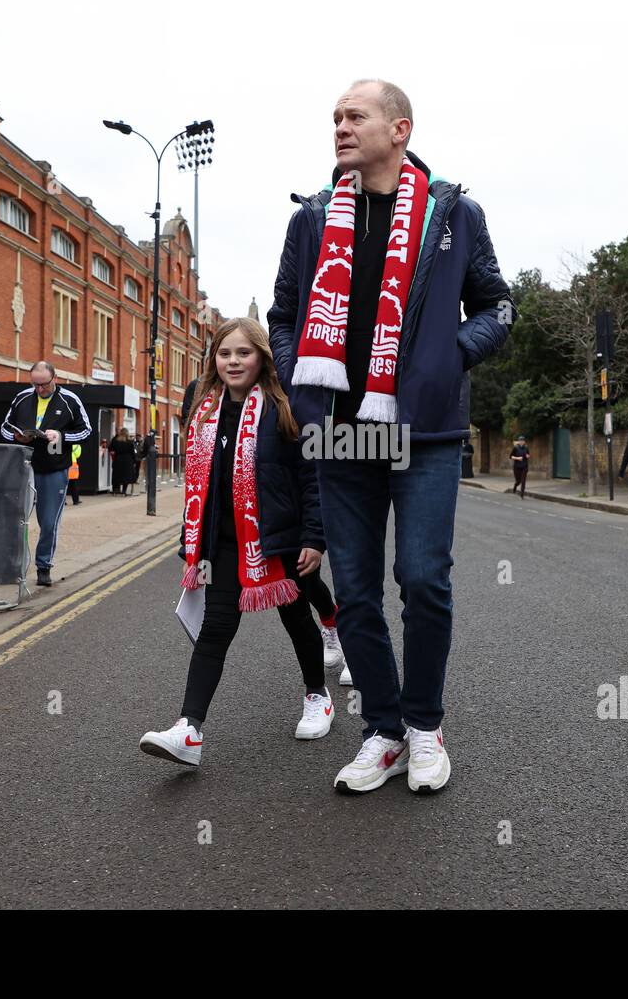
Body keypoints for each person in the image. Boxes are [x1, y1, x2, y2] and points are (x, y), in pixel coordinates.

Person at [267, 78, 510, 793]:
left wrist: (450, 355)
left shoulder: (453, 213)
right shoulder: (312, 219)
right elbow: (284, 317)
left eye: (355, 116)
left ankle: (425, 726)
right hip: (341, 430)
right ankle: (383, 731)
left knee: (424, 579)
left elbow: (497, 304)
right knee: (359, 593)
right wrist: (304, 396)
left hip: (424, 427)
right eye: (335, 117)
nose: (340, 126)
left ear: (398, 129)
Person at [139, 320, 332, 767]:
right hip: (223, 541)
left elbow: (311, 479)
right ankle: (189, 729)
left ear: (261, 356)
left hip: (278, 539)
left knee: (295, 617)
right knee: (216, 629)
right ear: (215, 360)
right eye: (225, 353)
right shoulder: (203, 406)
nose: (233, 361)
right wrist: (192, 541)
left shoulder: (284, 407)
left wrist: (314, 538)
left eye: (243, 353)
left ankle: (318, 694)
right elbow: (198, 481)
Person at [0, 361, 91, 587]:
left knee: (48, 522)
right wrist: (16, 437)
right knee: (15, 519)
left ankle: (43, 566)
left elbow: (86, 430)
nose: (39, 389)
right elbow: (4, 426)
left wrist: (61, 436)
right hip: (23, 468)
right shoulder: (22, 397)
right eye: (35, 384)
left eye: (44, 385)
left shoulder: (70, 400)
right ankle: (14, 565)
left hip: (54, 469)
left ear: (55, 378)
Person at [109, 428, 139, 495]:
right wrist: (134, 461)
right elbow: (132, 453)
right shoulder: (130, 442)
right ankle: (124, 491)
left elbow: (110, 448)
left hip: (118, 459)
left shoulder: (116, 441)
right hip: (128, 461)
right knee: (126, 476)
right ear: (127, 433)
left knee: (117, 475)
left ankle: (115, 491)